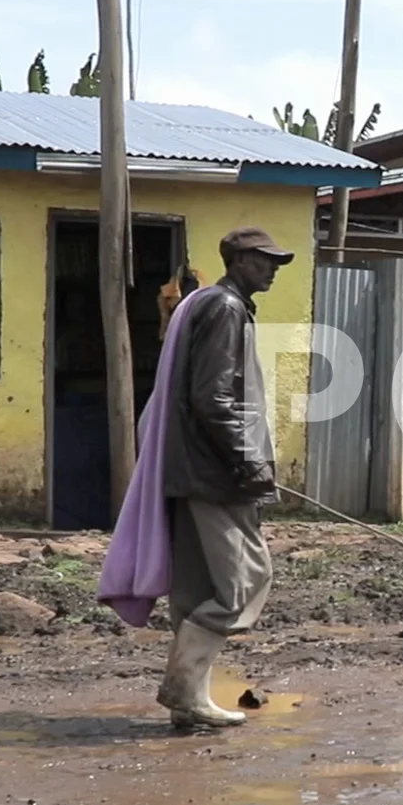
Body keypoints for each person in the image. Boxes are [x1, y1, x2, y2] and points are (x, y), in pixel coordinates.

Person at [98, 227, 292, 730]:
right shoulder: (225, 309)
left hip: (189, 468)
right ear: (238, 260)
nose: (272, 268)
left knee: (195, 584)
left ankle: (191, 701)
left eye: (275, 261)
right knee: (245, 581)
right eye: (264, 260)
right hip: (215, 474)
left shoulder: (210, 304)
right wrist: (248, 462)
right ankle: (183, 688)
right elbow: (213, 400)